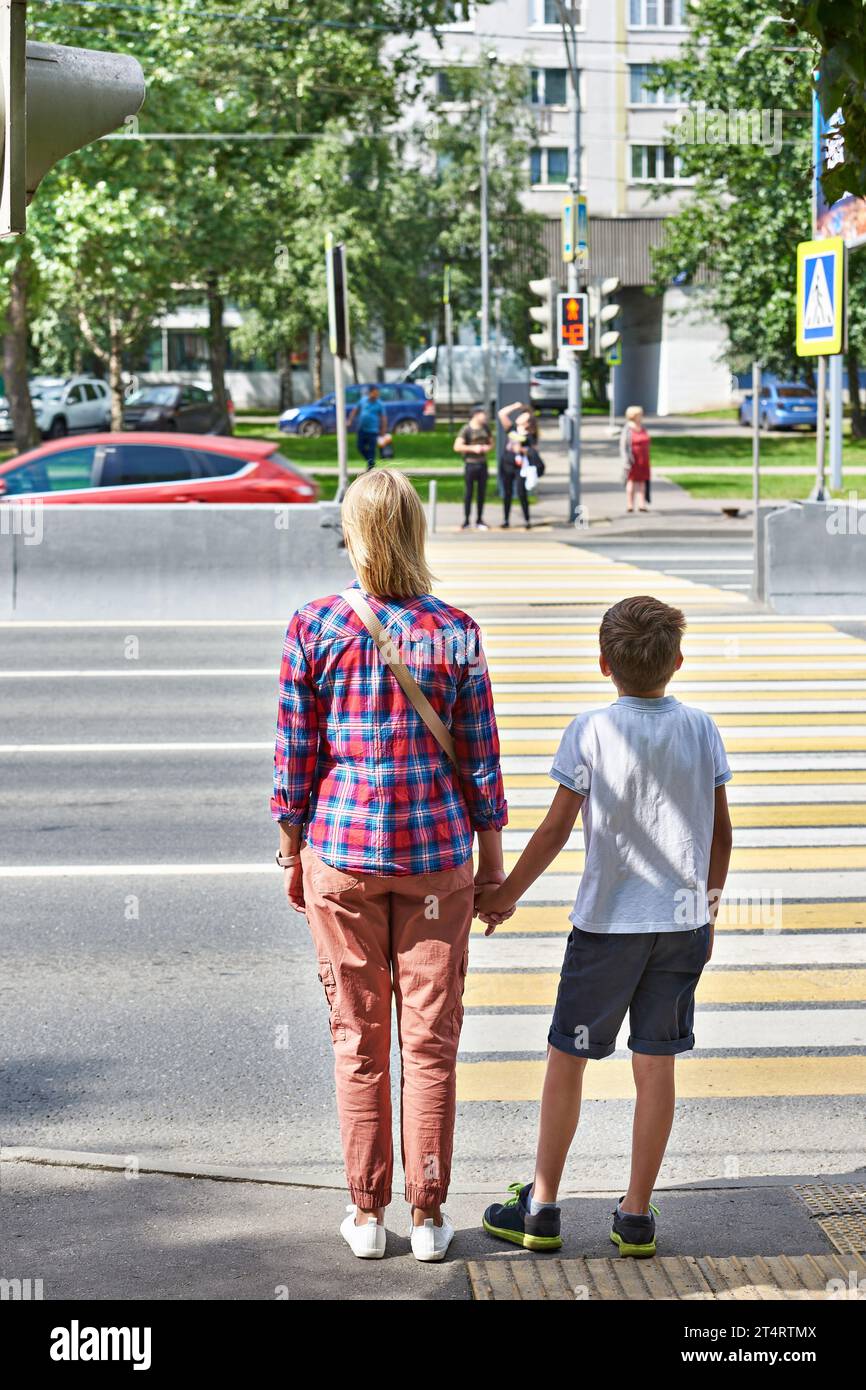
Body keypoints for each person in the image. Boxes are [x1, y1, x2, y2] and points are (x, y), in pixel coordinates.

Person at [272, 467, 509, 1264]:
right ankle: (432, 1219)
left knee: (358, 1039)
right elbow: (481, 764)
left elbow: (296, 755)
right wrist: (493, 867)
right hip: (440, 861)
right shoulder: (457, 631)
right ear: (416, 532)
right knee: (431, 1044)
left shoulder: (314, 626)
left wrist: (289, 847)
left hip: (341, 853)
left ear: (354, 534)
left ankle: (368, 1216)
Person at [475, 595, 733, 1257]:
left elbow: (557, 830)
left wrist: (502, 894)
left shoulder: (591, 729)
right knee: (657, 1064)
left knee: (568, 1060)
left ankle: (543, 1207)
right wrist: (707, 902)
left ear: (602, 664)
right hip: (681, 928)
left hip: (606, 931)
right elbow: (721, 829)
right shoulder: (701, 728)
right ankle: (638, 1216)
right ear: (678, 660)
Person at [496, 400, 543, 530]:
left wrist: (522, 450)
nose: (520, 416)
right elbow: (502, 414)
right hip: (507, 464)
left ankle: (527, 520)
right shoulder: (512, 430)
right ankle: (506, 520)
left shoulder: (530, 436)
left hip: (521, 467)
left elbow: (533, 450)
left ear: (528, 422)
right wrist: (515, 406)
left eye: (524, 416)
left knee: (522, 493)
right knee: (507, 493)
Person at [453, 404, 494, 531]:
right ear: (476, 415)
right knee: (469, 493)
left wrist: (487, 448)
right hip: (470, 464)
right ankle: (466, 520)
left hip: (482, 464)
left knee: (481, 493)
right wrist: (473, 448)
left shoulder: (486, 428)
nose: (485, 417)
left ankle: (479, 520)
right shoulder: (466, 429)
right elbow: (457, 447)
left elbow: (491, 443)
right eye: (483, 414)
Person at [348, 385, 387, 471]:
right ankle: (371, 462)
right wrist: (350, 420)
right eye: (375, 393)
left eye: (378, 393)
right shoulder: (363, 400)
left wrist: (383, 430)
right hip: (362, 429)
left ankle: (370, 468)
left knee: (372, 450)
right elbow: (355, 410)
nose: (377, 395)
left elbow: (383, 417)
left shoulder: (379, 403)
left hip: (373, 430)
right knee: (360, 447)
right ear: (370, 393)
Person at [620, 404, 651, 513]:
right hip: (632, 460)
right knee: (631, 481)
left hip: (643, 460)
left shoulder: (642, 428)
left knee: (642, 482)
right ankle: (630, 504)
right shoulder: (628, 429)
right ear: (634, 416)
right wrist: (625, 461)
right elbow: (623, 446)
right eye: (640, 415)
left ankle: (642, 504)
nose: (641, 416)